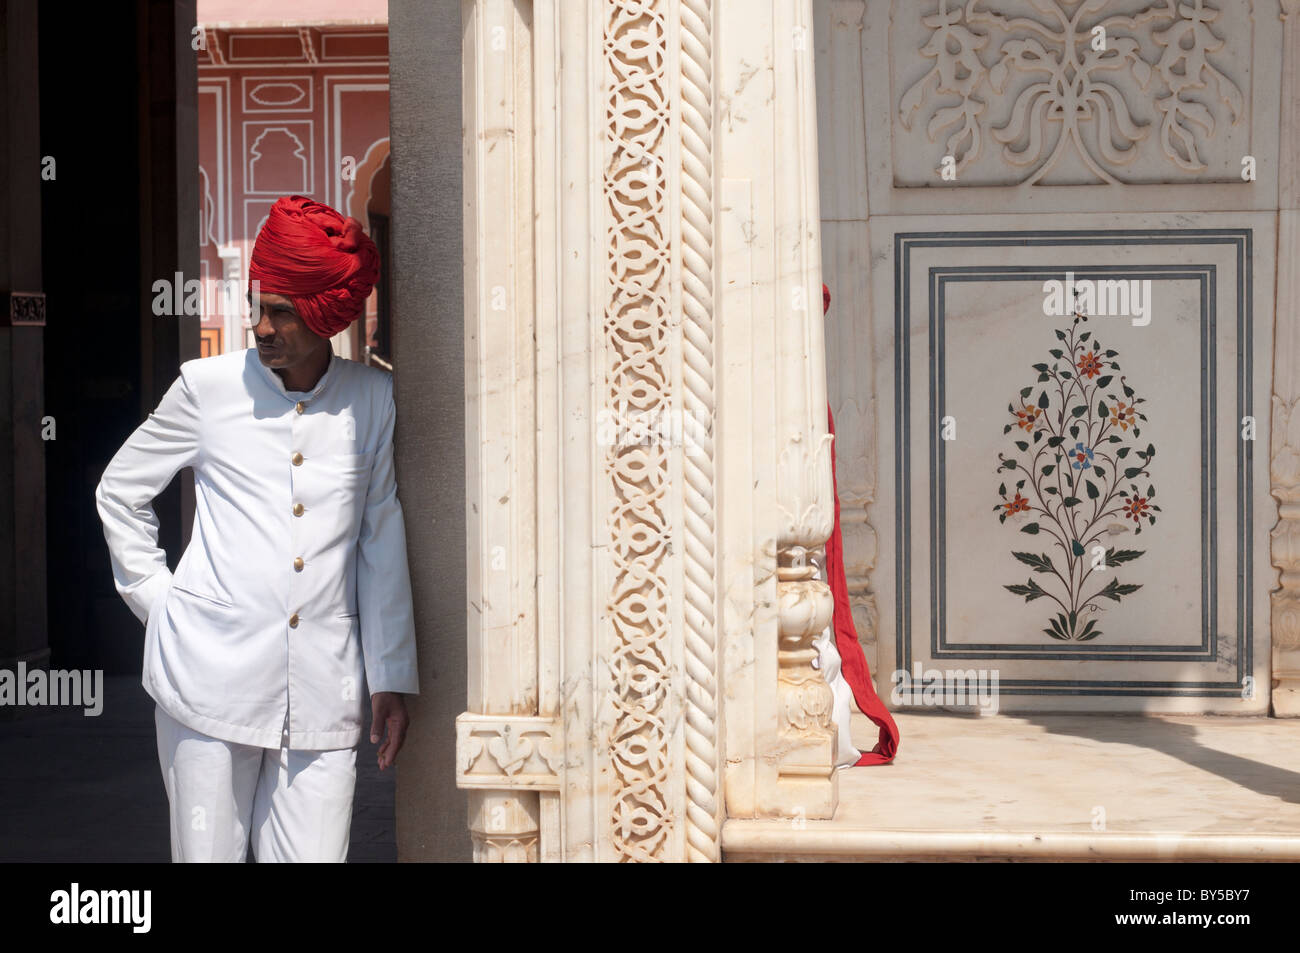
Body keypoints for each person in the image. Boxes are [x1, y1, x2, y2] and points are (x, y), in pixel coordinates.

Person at [95, 194, 419, 862]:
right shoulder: (207, 388)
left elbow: (380, 538)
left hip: (326, 694)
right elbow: (120, 491)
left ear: (324, 315)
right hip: (205, 684)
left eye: (282, 312)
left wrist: (390, 673)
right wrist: (161, 604)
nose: (263, 326)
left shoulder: (372, 399)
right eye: (258, 306)